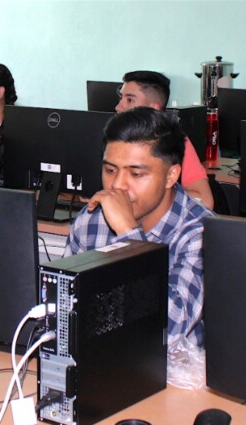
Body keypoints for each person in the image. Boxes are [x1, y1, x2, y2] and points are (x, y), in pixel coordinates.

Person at [66, 107, 214, 345]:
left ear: (171, 176)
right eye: (110, 170)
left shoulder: (201, 233)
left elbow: (168, 330)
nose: (118, 185)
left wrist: (129, 236)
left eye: (136, 174)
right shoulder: (91, 221)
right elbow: (67, 308)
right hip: (104, 361)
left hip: (173, 373)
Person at [115, 70, 215, 210]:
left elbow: (205, 201)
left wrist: (150, 193)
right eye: (121, 98)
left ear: (153, 108)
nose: (118, 107)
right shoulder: (111, 140)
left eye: (130, 100)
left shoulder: (175, 141)